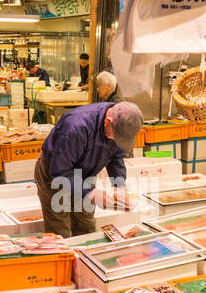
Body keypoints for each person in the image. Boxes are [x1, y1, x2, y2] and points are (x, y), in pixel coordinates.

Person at [34, 101, 144, 238]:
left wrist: (119, 186)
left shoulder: (120, 124)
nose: (117, 140)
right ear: (108, 121)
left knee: (85, 228)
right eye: (116, 136)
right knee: (59, 231)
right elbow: (60, 171)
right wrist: (91, 193)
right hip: (55, 175)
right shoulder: (75, 127)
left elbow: (116, 158)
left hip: (85, 173)